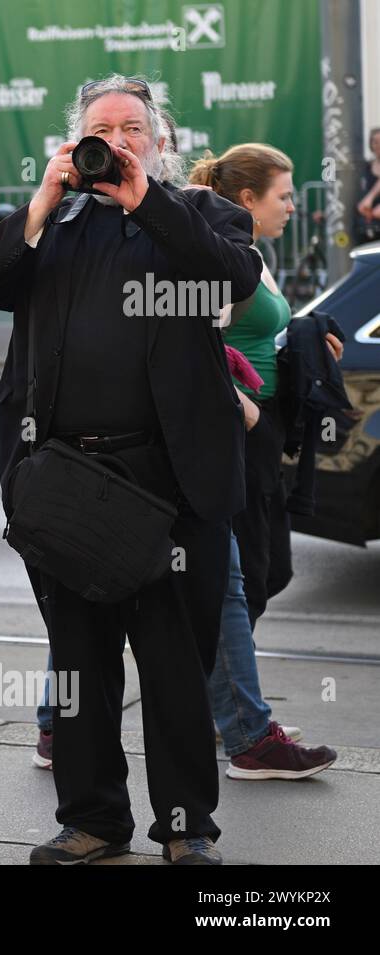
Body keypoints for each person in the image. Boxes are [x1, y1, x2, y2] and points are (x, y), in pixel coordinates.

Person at [0, 75, 262, 865]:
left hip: (172, 488)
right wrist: (40, 197)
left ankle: (186, 826)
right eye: (102, 128)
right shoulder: (55, 222)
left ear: (160, 141)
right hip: (67, 483)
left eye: (134, 127)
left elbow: (230, 281)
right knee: (79, 668)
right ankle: (92, 819)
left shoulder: (199, 214)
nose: (120, 139)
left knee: (173, 668)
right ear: (75, 141)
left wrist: (144, 201)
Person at [189, 143, 340, 779]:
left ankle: (234, 714)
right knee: (240, 577)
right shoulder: (220, 255)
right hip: (234, 432)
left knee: (258, 572)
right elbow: (194, 341)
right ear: (247, 200)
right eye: (283, 195)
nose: (291, 206)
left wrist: (304, 337)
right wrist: (241, 405)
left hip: (257, 429)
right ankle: (237, 722)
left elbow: (257, 329)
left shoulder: (251, 251)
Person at [355, 127, 380, 244]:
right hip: (369, 226)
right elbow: (361, 204)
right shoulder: (366, 168)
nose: (378, 145)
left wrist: (369, 199)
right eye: (375, 142)